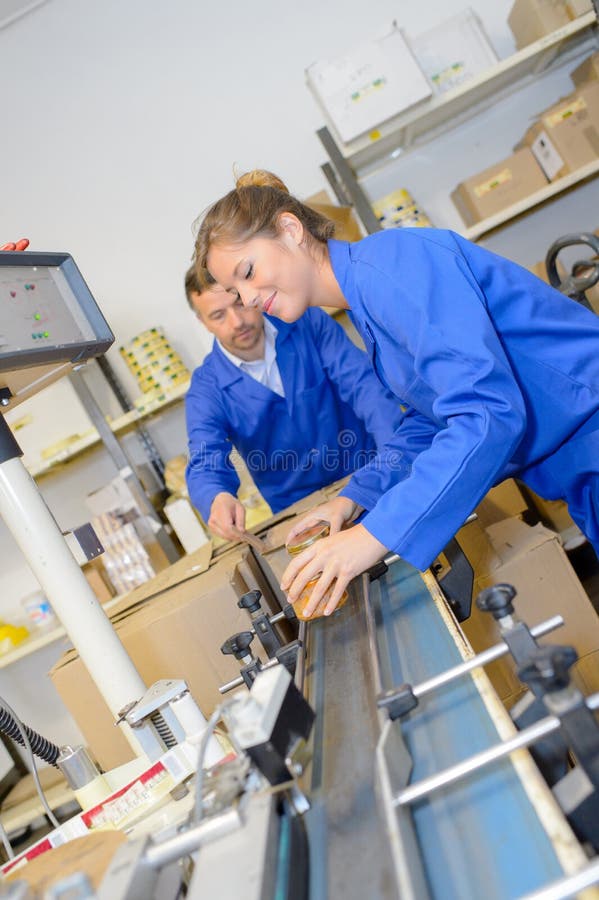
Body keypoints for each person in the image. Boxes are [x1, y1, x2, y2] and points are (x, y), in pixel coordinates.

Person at [194, 170, 599, 616]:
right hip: (578, 471)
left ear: (291, 230)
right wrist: (354, 498)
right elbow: (431, 420)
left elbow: (486, 413)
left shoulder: (396, 268)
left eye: (247, 273)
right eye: (234, 291)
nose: (247, 300)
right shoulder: (367, 300)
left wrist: (375, 535)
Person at [184, 265, 405, 541]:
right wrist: (215, 496)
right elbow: (205, 455)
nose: (236, 322)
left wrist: (396, 460)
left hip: (367, 477)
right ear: (202, 321)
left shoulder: (307, 324)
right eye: (218, 315)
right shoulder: (206, 389)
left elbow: (366, 389)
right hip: (300, 515)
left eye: (239, 303)